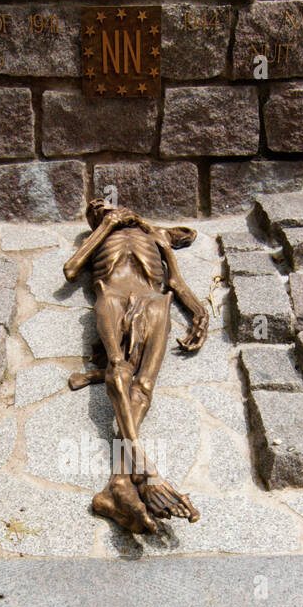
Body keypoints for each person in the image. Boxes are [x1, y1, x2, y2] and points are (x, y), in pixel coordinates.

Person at [63, 198, 209, 534]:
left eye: (106, 202)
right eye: (93, 207)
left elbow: (185, 247)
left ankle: (118, 484)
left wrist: (199, 313)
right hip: (111, 295)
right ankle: (141, 470)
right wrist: (106, 226)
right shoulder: (99, 235)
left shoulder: (152, 233)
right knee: (119, 366)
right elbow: (71, 271)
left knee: (143, 387)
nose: (101, 205)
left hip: (155, 301)